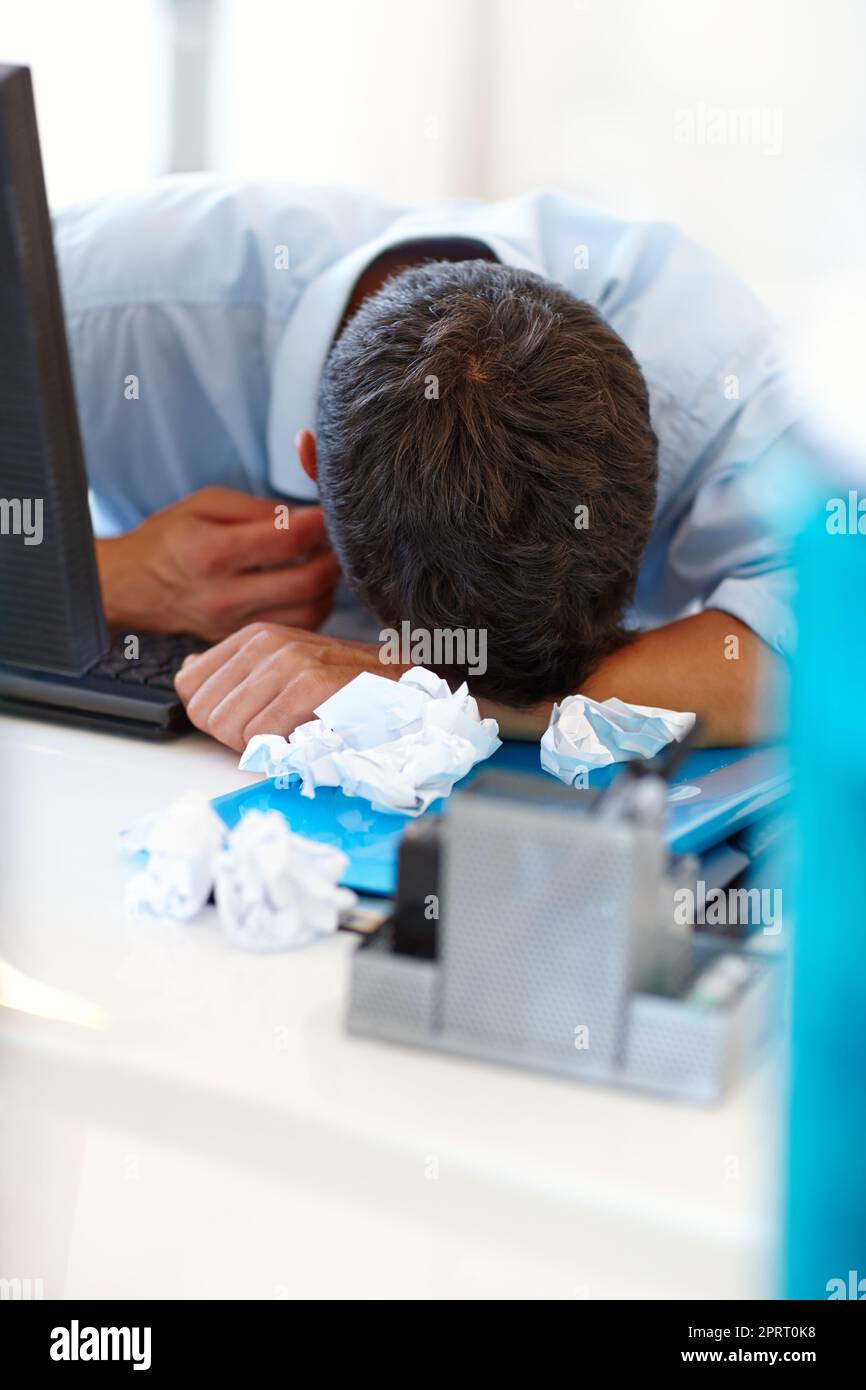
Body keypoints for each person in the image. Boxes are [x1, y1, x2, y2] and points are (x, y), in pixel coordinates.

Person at [56, 178, 798, 750]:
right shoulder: (98, 302)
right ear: (313, 465)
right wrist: (98, 574)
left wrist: (435, 691)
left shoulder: (707, 373)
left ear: (651, 456)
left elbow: (835, 646)